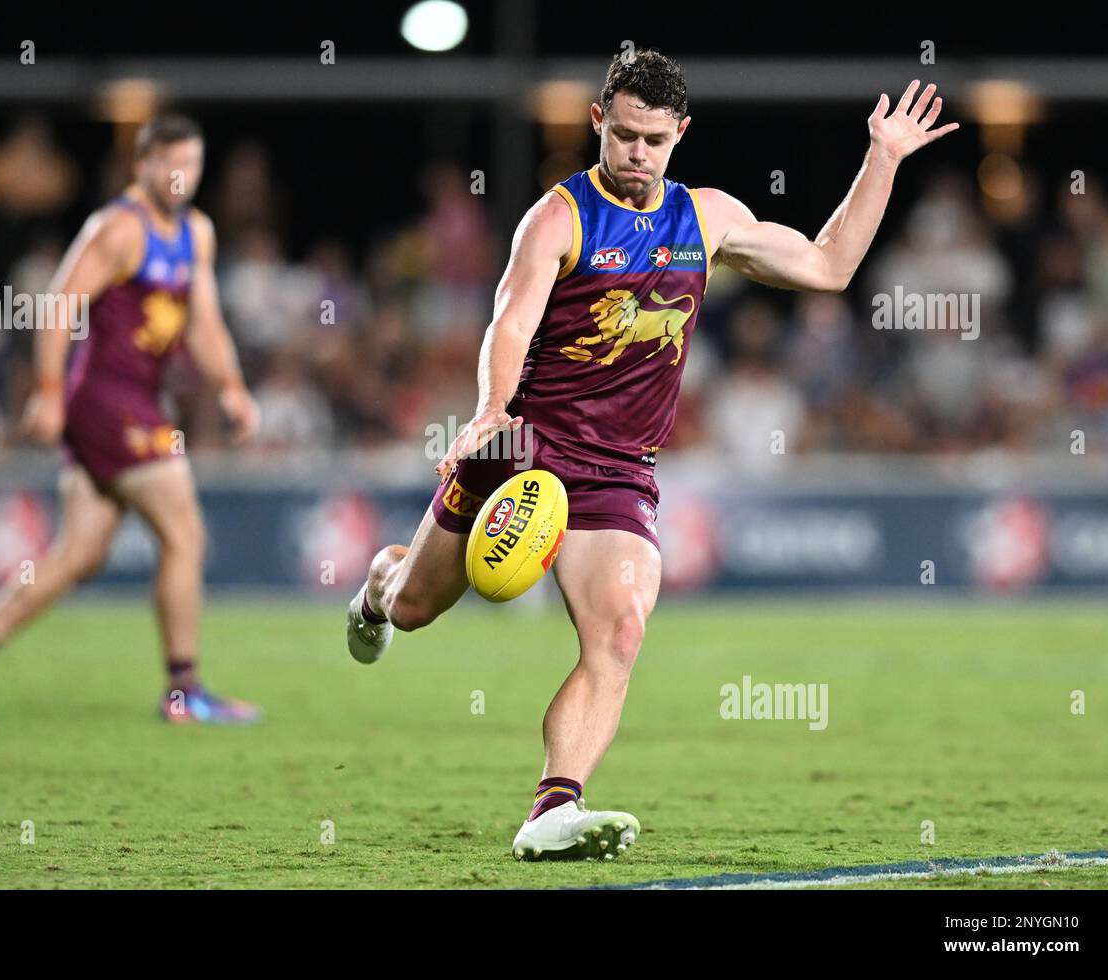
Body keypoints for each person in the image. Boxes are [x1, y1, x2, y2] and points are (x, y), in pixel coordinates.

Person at [346, 51, 957, 859]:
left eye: (655, 141)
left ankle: (551, 811)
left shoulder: (706, 218)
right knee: (416, 609)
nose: (638, 153)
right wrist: (492, 410)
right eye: (625, 134)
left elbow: (828, 265)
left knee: (620, 634)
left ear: (681, 135)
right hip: (521, 446)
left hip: (618, 470)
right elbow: (511, 320)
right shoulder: (556, 218)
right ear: (598, 121)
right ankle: (379, 585)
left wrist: (881, 159)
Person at [0, 114, 262, 725]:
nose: (183, 176)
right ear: (144, 167)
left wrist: (233, 388)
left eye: (193, 164)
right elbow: (57, 307)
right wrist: (49, 391)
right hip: (107, 400)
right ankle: (184, 692)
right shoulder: (116, 228)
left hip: (134, 400)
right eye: (171, 163)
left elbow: (205, 323)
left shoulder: (198, 233)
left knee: (81, 553)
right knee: (185, 535)